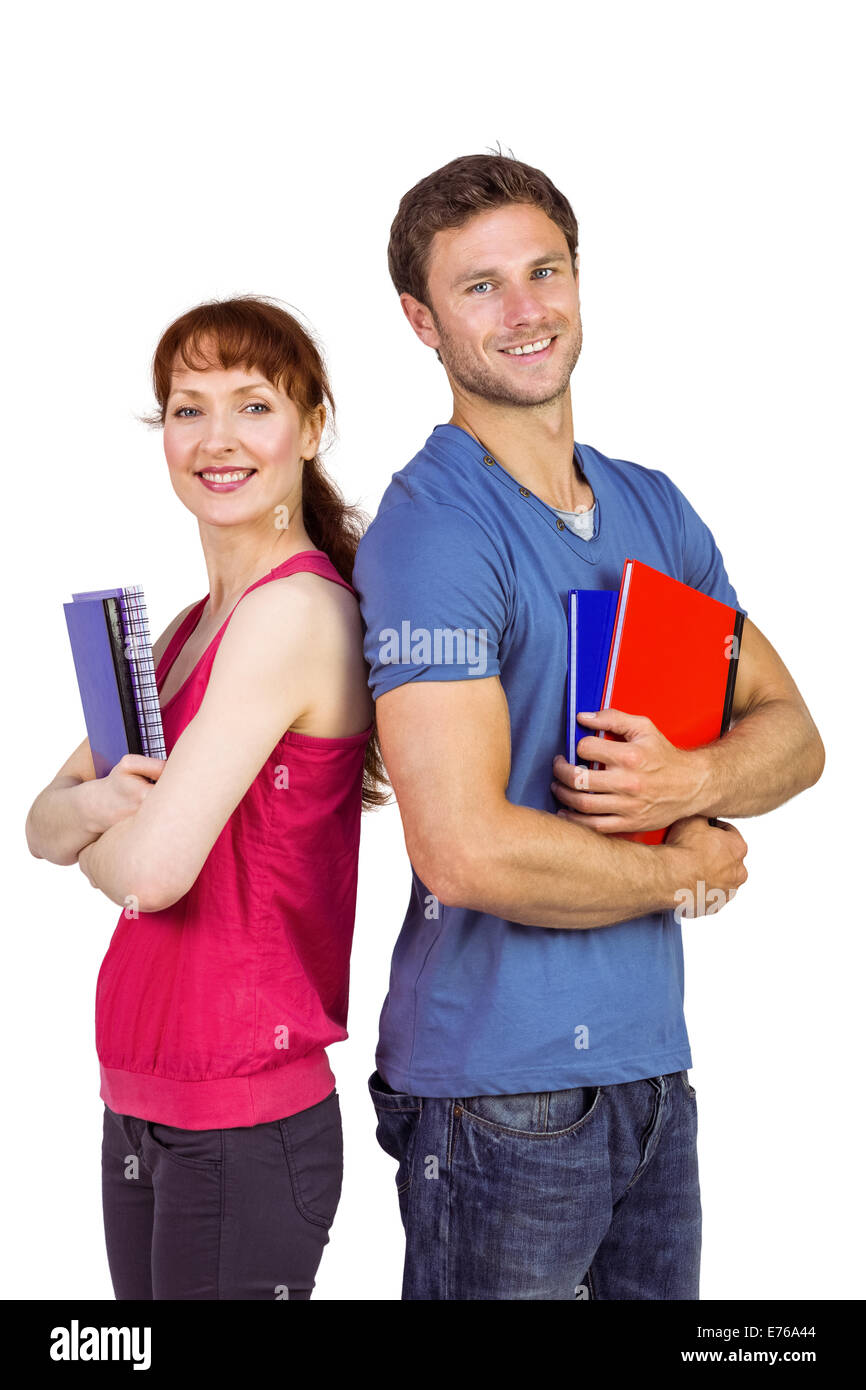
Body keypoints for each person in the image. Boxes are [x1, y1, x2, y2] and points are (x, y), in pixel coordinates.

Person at [352, 152, 825, 1301]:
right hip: (495, 1090)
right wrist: (683, 867)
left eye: (543, 271)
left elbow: (794, 734)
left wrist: (687, 779)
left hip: (650, 1075)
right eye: (479, 288)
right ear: (420, 320)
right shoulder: (435, 531)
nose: (525, 312)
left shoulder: (651, 505)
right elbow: (459, 850)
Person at [25, 295, 387, 1300]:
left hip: (241, 1122)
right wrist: (101, 808)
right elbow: (36, 826)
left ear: (311, 429)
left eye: (253, 405)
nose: (216, 439)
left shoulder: (295, 614)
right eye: (188, 409)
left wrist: (101, 812)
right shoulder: (185, 629)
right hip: (145, 1102)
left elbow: (151, 872)